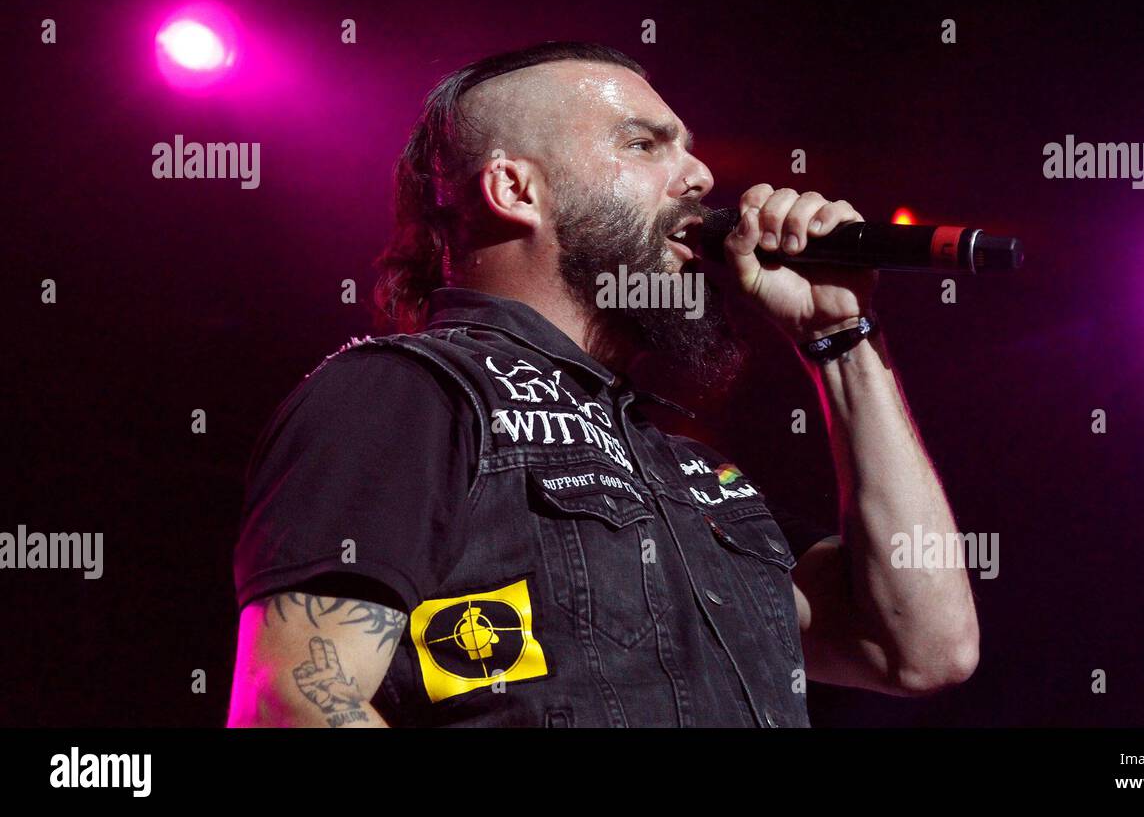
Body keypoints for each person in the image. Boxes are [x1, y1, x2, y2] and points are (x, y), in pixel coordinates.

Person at [226, 41, 978, 727]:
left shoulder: (682, 469)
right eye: (645, 144)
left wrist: (840, 340)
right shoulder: (405, 394)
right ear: (516, 188)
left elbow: (923, 646)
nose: (701, 176)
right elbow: (290, 702)